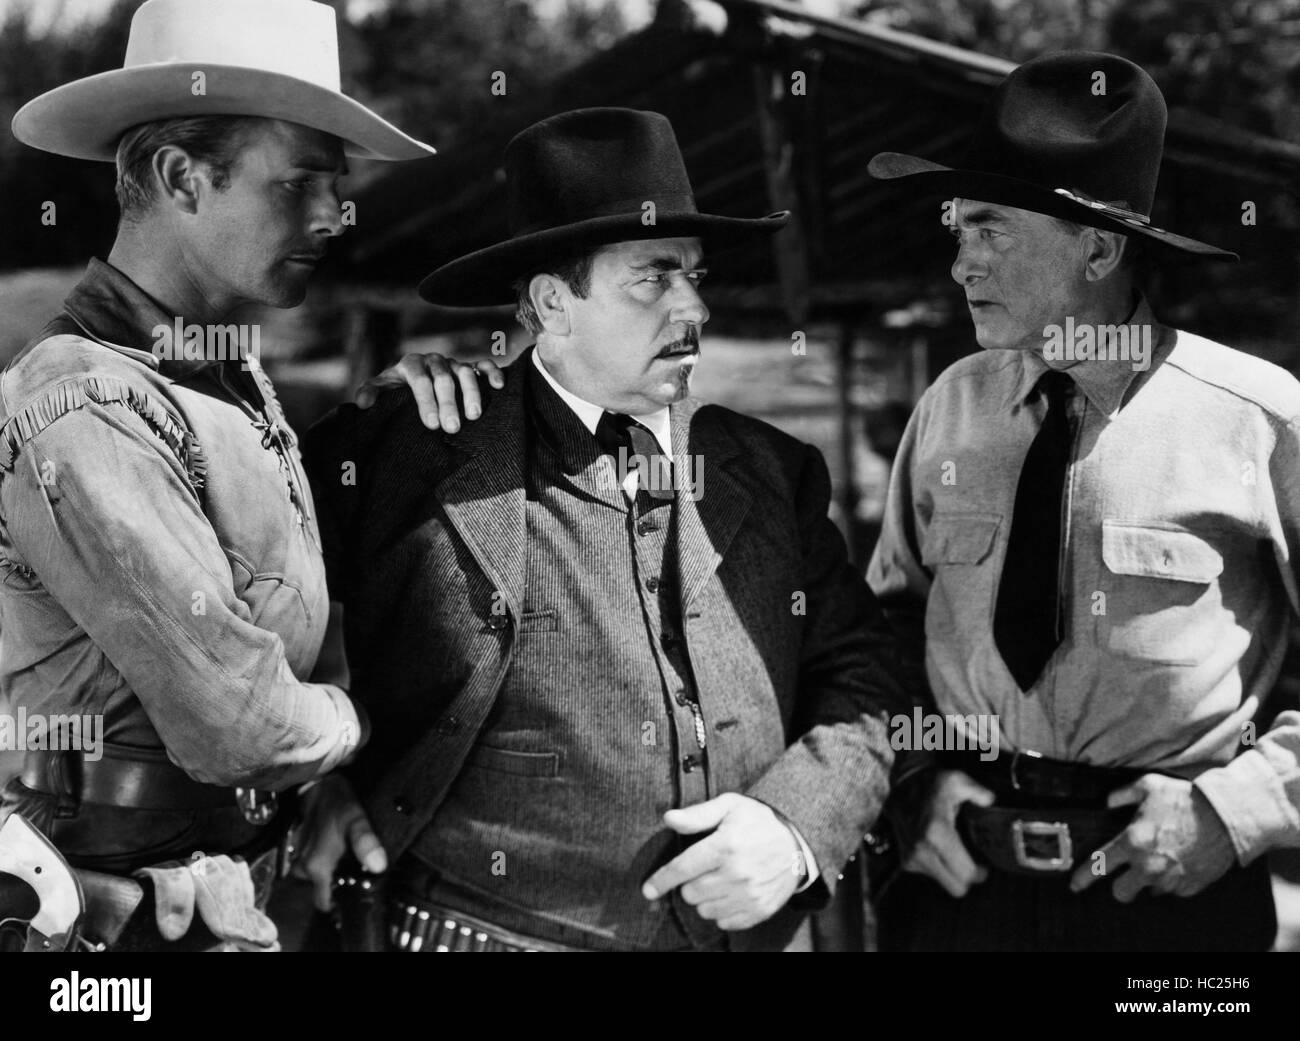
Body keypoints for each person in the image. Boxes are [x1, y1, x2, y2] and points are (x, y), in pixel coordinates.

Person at [298, 107, 907, 952]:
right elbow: (228, 612)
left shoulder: (772, 472)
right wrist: (308, 781)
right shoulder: (410, 448)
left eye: (696, 273)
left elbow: (867, 676)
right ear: (553, 303)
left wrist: (796, 824)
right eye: (653, 277)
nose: (694, 304)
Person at [0, 0, 486, 951]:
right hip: (114, 921)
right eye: (298, 183)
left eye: (333, 186)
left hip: (228, 891)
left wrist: (393, 419)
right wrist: (367, 725)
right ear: (183, 176)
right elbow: (240, 727)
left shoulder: (221, 374)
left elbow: (272, 578)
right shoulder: (85, 400)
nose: (330, 216)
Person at [866, 50, 1299, 951]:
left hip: (1170, 901)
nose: (960, 266)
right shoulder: (950, 406)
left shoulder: (1257, 419)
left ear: (1099, 247)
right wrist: (913, 784)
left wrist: (1240, 809)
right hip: (960, 892)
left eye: (990, 232)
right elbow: (878, 631)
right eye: (958, 231)